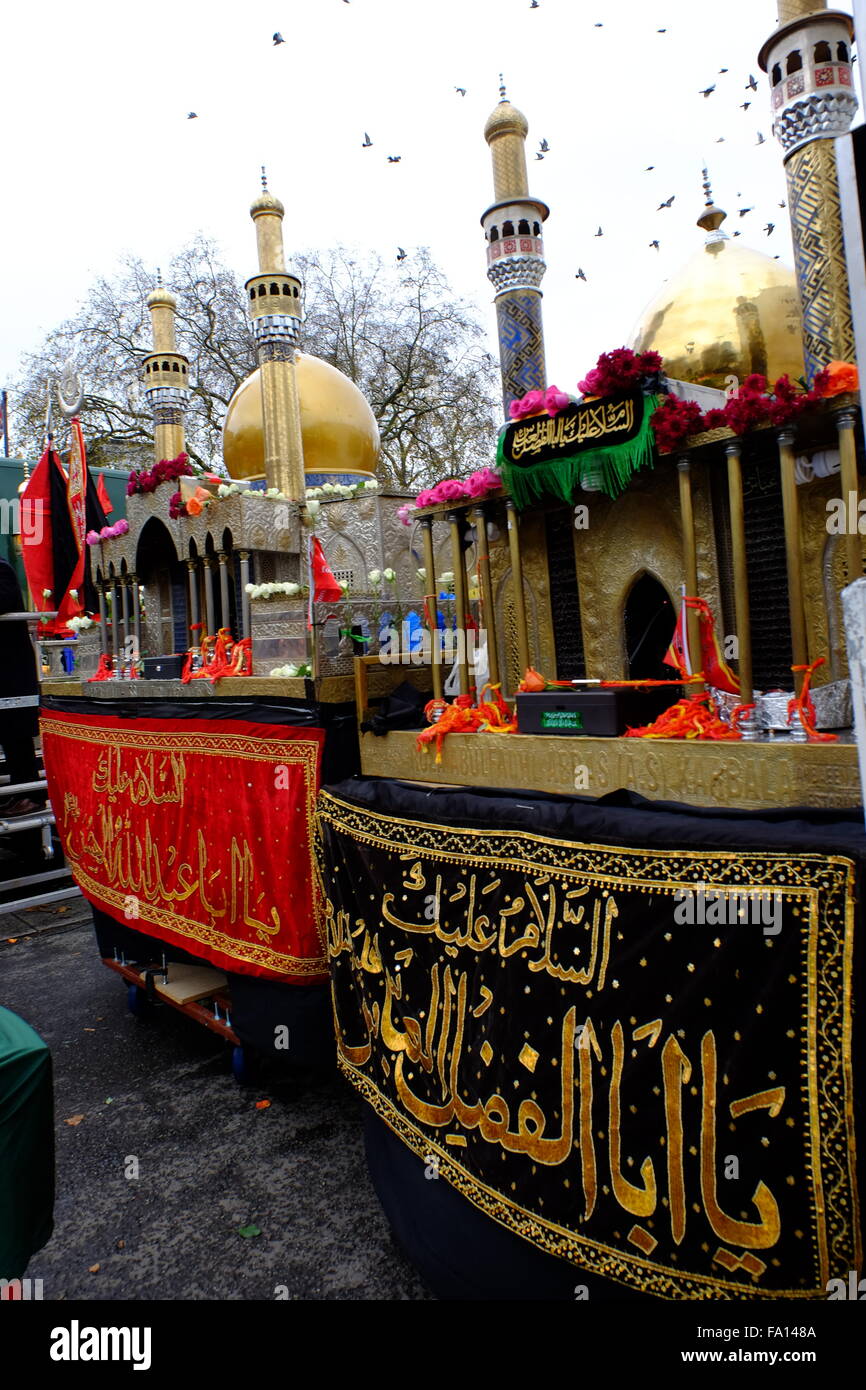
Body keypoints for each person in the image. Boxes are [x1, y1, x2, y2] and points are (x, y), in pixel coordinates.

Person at [0, 556, 41, 816]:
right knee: (10, 735)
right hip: (5, 672)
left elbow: (3, 600)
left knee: (17, 737)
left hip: (10, 669)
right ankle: (19, 794)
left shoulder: (1, 568)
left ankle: (30, 795)